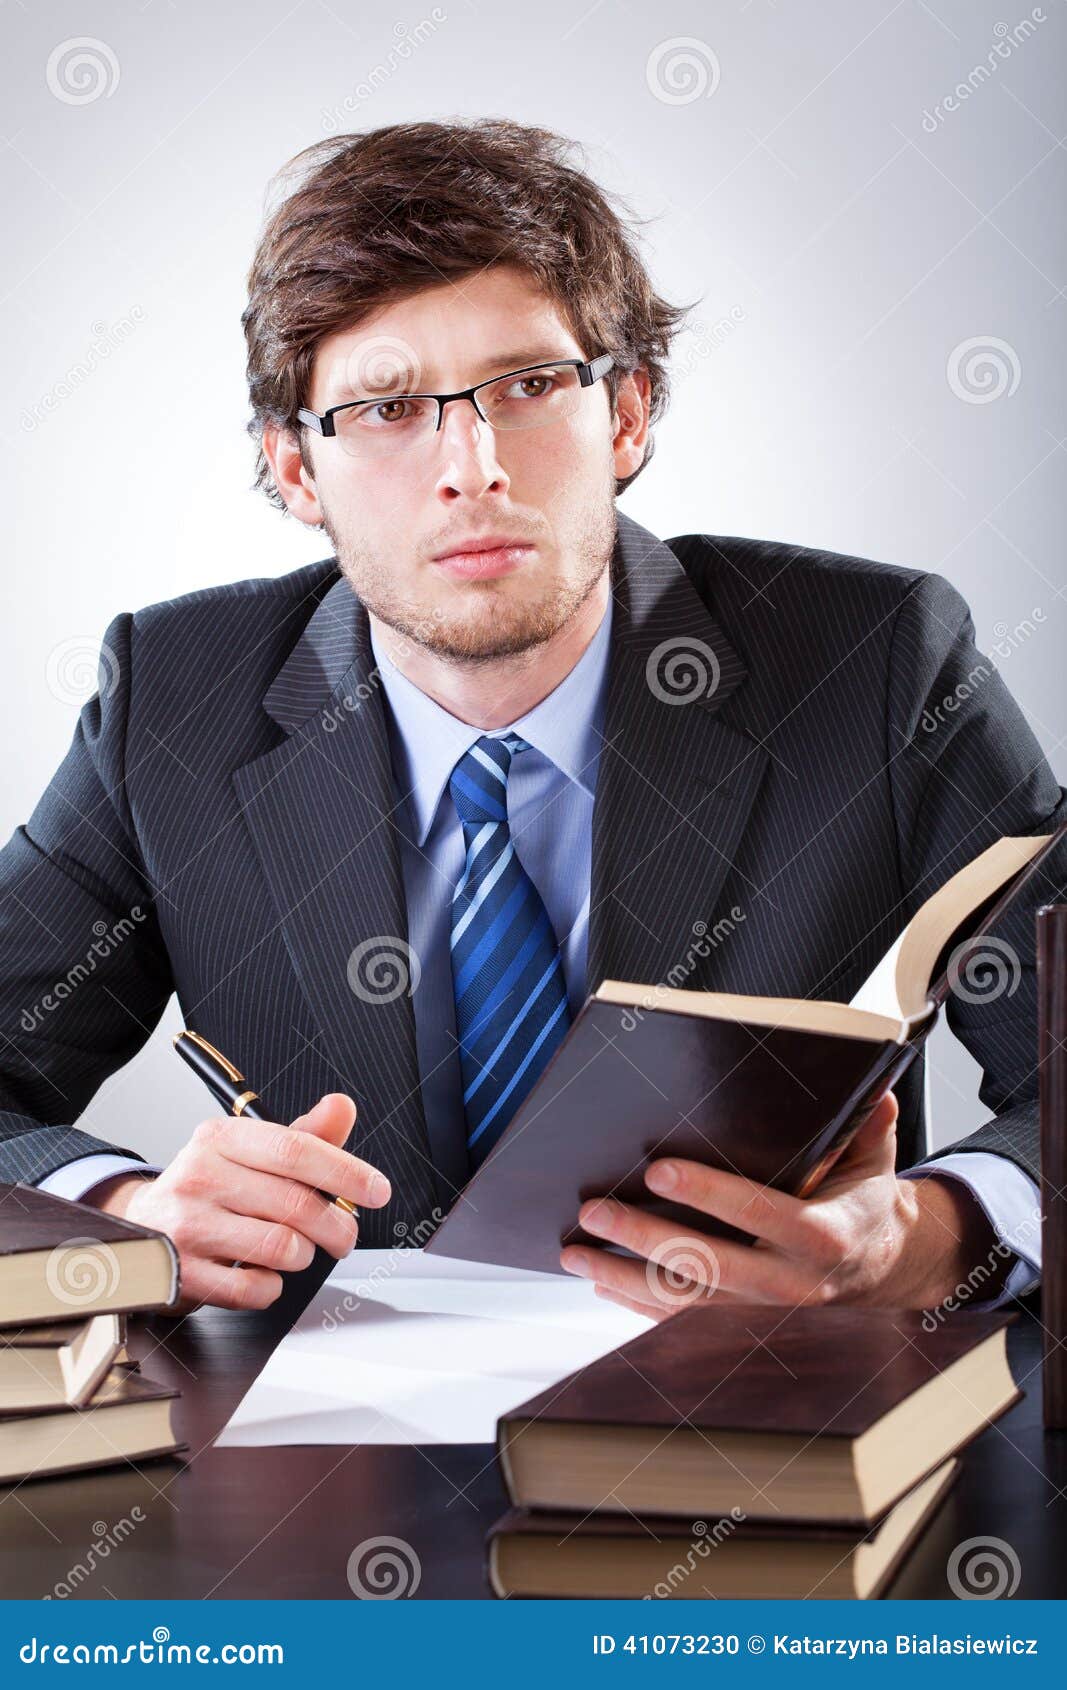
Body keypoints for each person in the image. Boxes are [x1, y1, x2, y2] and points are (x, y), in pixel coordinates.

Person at [2, 119, 1063, 1320]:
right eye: (389, 409)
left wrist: (921, 1240)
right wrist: (128, 1213)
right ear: (295, 471)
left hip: (758, 1425)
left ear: (624, 414)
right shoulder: (173, 701)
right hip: (320, 1468)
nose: (473, 466)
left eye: (527, 385)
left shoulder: (874, 665)